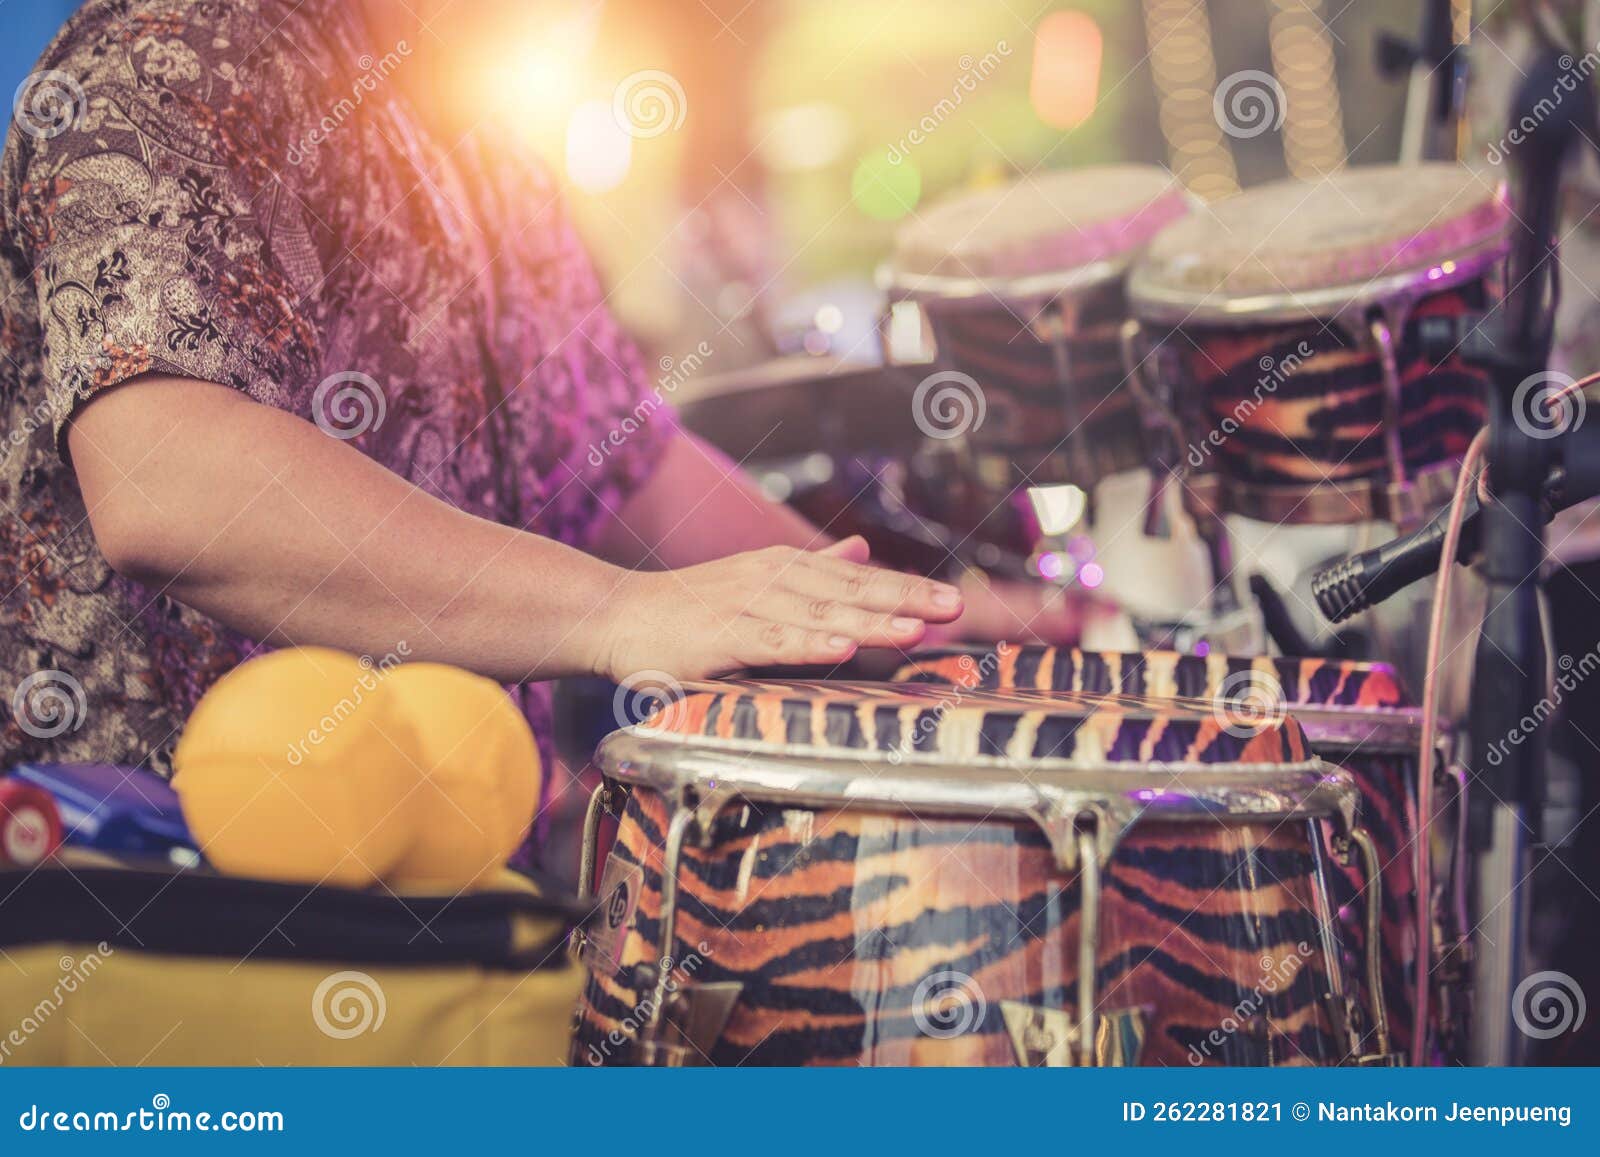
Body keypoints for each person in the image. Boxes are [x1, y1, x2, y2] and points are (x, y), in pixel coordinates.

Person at [0, 0, 1078, 820]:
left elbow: (622, 464)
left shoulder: (479, 140)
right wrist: (616, 612)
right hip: (154, 908)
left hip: (443, 895)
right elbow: (170, 481)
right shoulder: (161, 64)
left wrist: (910, 621)